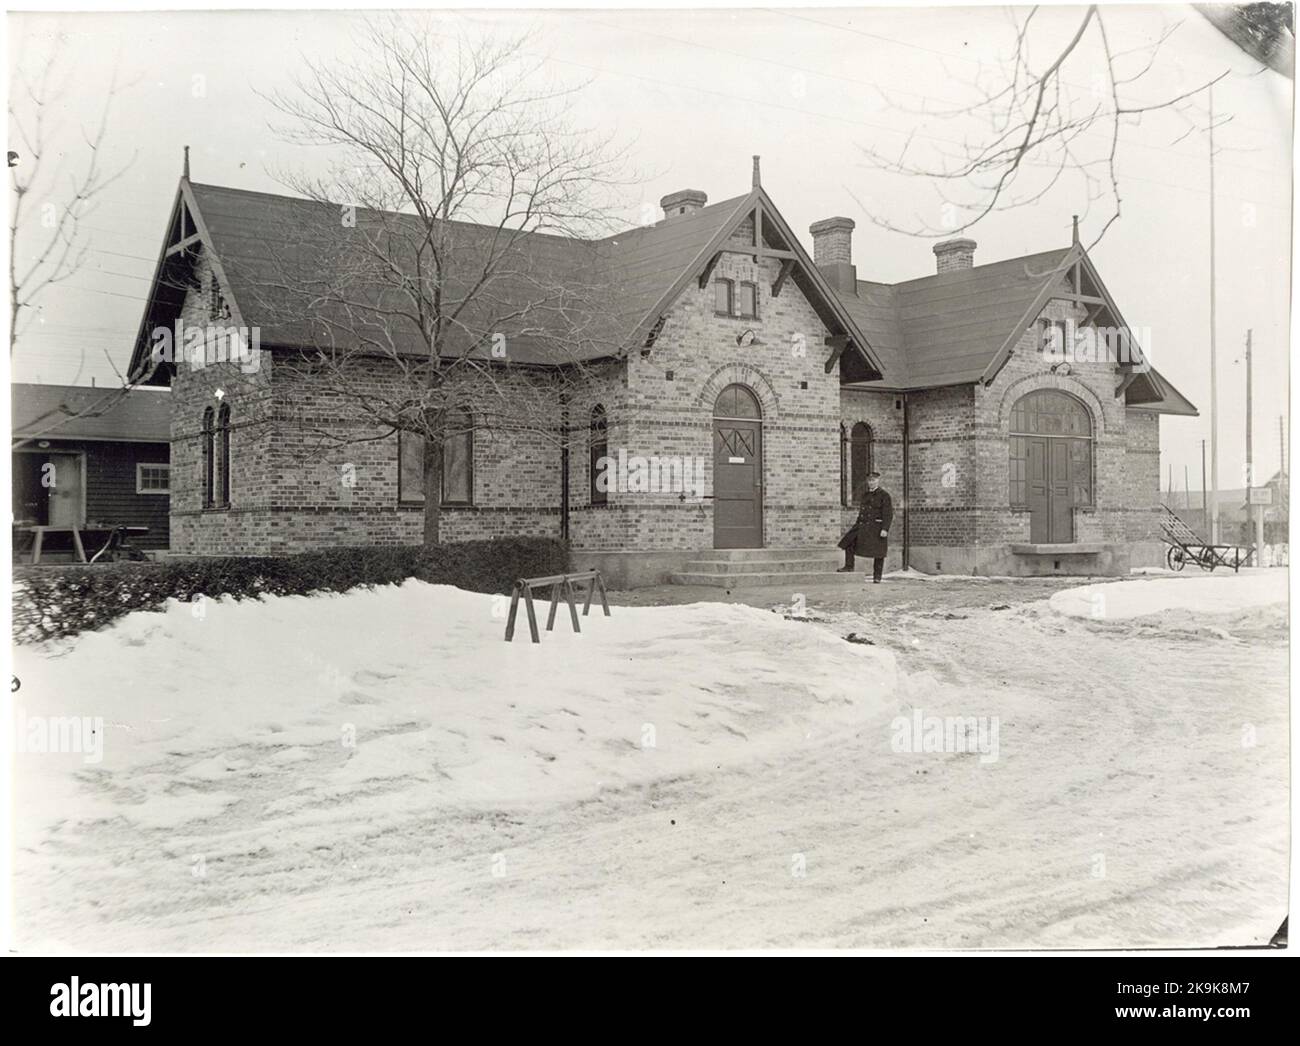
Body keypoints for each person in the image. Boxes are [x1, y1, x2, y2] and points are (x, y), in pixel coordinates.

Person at [837, 471, 893, 583]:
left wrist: (885, 529)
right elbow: (862, 512)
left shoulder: (884, 495)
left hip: (876, 527)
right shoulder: (865, 495)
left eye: (873, 480)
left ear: (878, 481)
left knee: (878, 552)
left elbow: (888, 514)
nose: (871, 482)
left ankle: (877, 576)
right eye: (869, 480)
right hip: (862, 526)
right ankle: (849, 566)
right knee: (848, 541)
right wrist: (857, 524)